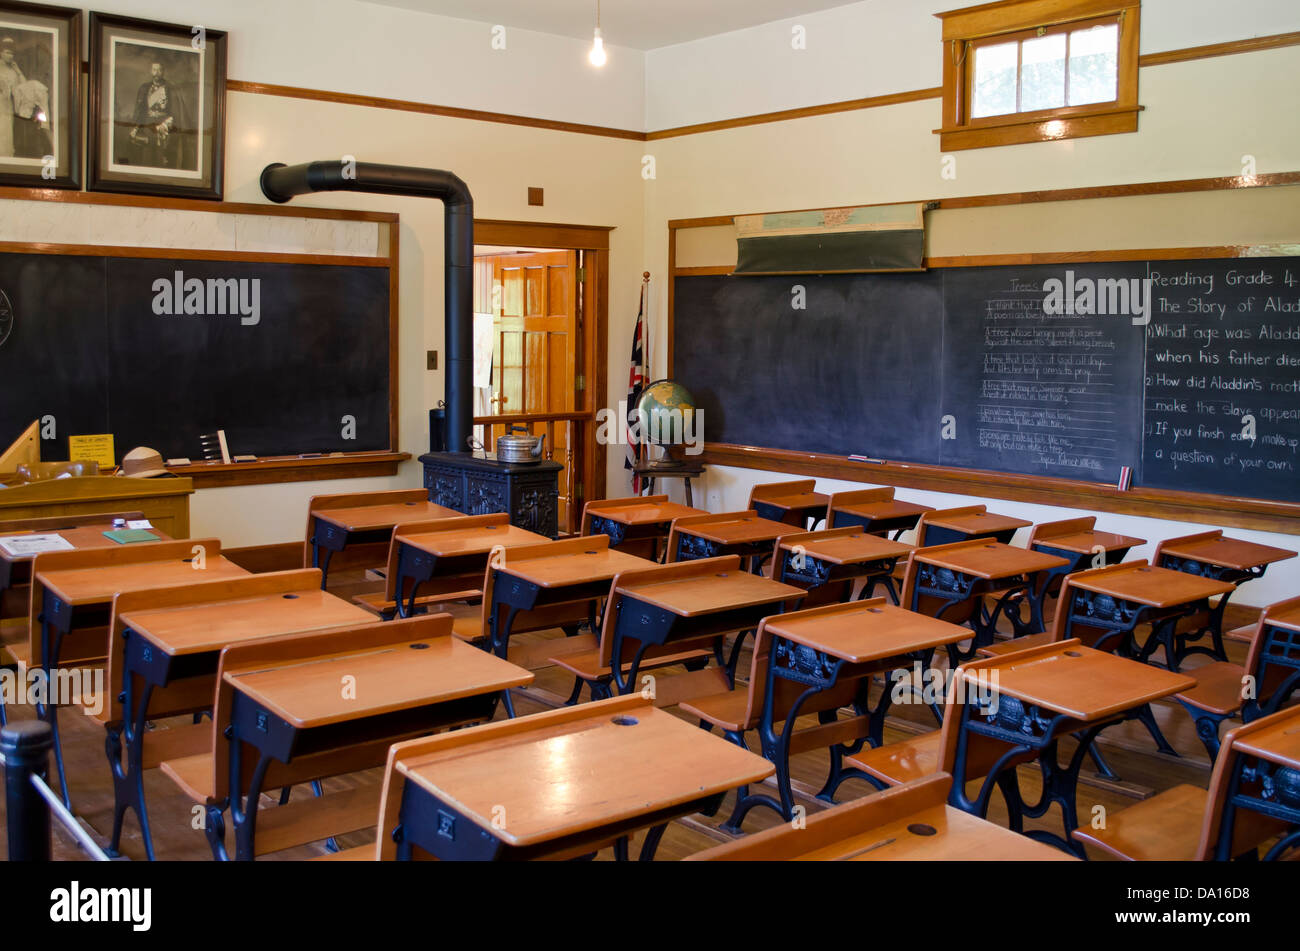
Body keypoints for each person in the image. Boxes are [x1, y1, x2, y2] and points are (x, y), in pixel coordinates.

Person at [127, 60, 192, 170]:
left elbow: (175, 111)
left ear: (163, 72)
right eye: (154, 70)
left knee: (163, 154)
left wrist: (166, 124)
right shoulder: (144, 88)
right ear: (150, 71)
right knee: (146, 153)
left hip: (165, 123)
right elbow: (140, 109)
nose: (157, 73)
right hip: (148, 123)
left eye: (159, 70)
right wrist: (136, 126)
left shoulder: (170, 88)